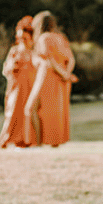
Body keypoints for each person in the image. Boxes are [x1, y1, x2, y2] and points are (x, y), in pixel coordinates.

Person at [26, 10, 75, 147]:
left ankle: (39, 142)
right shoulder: (61, 38)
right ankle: (52, 142)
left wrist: (62, 73)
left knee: (31, 108)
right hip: (61, 80)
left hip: (47, 76)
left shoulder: (44, 38)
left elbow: (50, 59)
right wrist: (66, 73)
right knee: (55, 110)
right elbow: (71, 59)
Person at [0, 16, 36, 148]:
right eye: (19, 37)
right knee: (13, 112)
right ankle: (6, 139)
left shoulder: (34, 51)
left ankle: (27, 140)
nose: (21, 40)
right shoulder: (14, 51)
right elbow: (5, 69)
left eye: (24, 38)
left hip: (31, 87)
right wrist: (12, 67)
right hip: (15, 87)